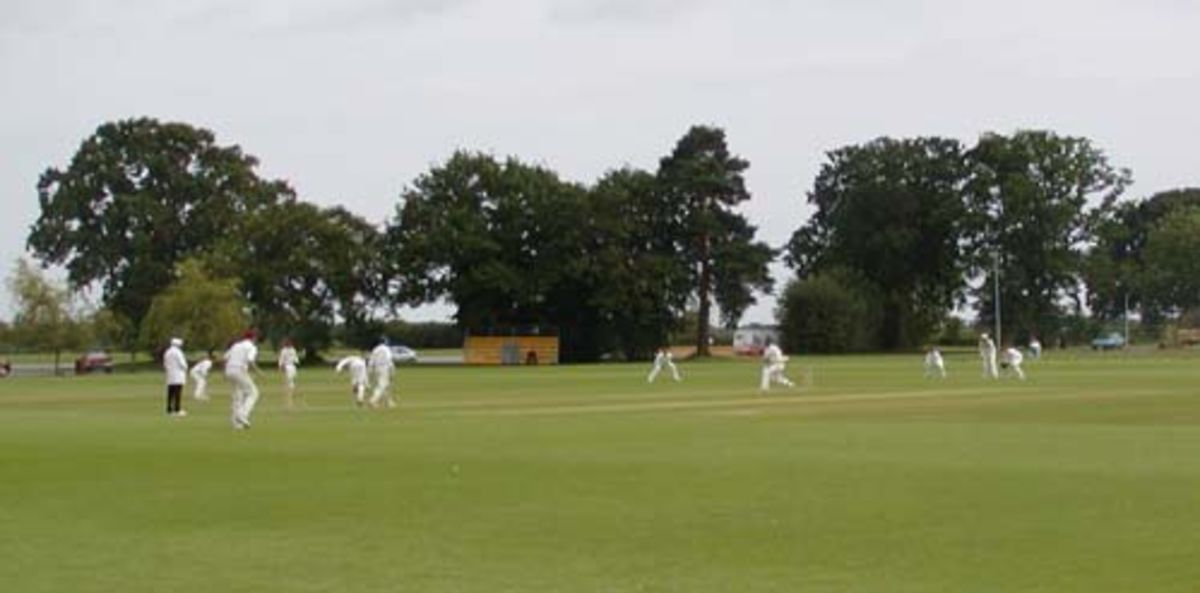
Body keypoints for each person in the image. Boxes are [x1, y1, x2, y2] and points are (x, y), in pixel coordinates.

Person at [224, 330, 261, 430]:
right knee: (253, 393)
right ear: (254, 338)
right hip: (239, 370)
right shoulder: (251, 347)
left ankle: (236, 423)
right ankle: (242, 415)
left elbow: (226, 357)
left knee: (237, 396)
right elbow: (250, 360)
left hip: (229, 370)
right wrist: (258, 371)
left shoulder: (236, 345)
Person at [163, 337, 188, 417]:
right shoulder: (178, 352)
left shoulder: (167, 352)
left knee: (170, 393)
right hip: (178, 375)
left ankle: (169, 409)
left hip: (170, 375)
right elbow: (182, 363)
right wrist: (186, 368)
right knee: (178, 393)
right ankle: (177, 409)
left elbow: (165, 363)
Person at [368, 338, 396, 408]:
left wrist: (370, 371)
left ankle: (388, 402)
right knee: (382, 386)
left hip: (376, 368)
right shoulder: (386, 349)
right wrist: (392, 370)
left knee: (385, 385)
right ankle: (373, 400)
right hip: (384, 368)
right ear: (385, 342)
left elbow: (371, 361)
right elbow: (389, 359)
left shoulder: (375, 349)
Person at [278, 339, 300, 409]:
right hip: (291, 367)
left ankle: (290, 403)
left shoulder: (285, 350)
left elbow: (281, 360)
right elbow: (296, 360)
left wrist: (281, 368)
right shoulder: (291, 350)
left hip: (289, 367)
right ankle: (290, 402)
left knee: (289, 384)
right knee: (291, 384)